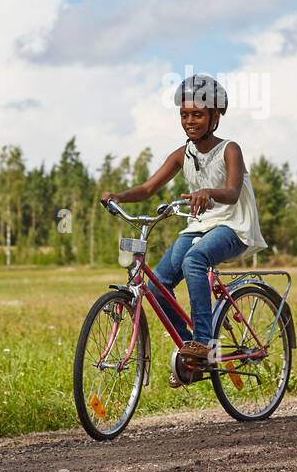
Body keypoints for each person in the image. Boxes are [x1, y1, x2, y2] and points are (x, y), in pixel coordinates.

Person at [101, 74, 267, 385]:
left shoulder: (230, 149)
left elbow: (231, 193)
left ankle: (203, 343)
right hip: (200, 225)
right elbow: (149, 188)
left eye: (198, 114)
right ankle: (192, 352)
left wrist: (209, 192)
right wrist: (119, 196)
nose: (190, 121)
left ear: (215, 116)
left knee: (194, 259)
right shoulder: (183, 154)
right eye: (184, 115)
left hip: (234, 225)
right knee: (157, 285)